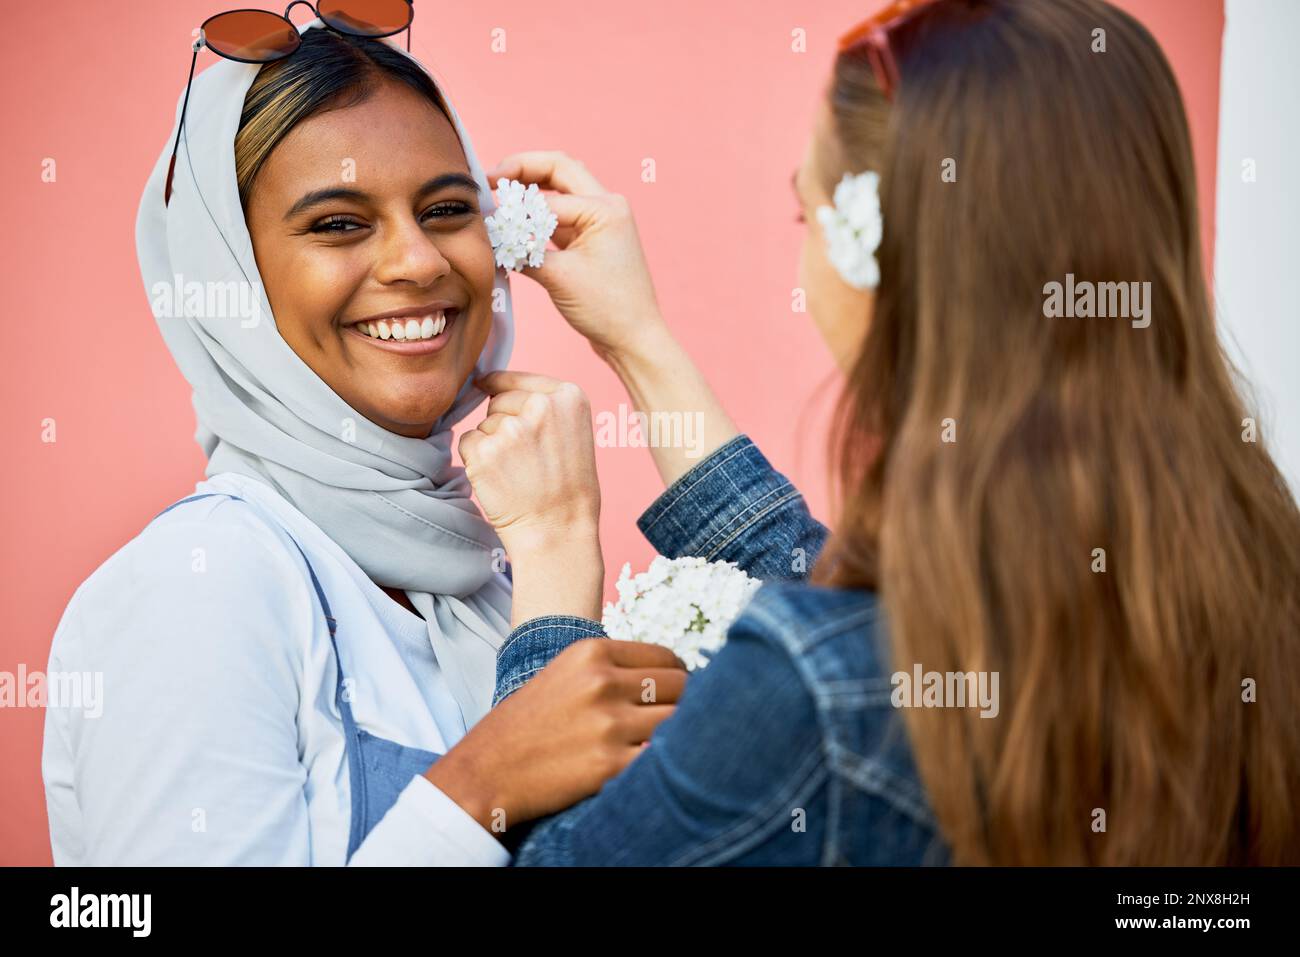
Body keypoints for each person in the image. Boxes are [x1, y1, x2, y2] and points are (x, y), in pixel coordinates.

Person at [450, 0, 1300, 864]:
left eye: (804, 215)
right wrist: (639, 343)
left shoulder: (816, 695)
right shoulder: (1251, 576)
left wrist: (555, 556)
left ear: (875, 255)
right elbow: (859, 619)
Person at [42, 19, 684, 866]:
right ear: (232, 273)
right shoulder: (199, 585)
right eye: (339, 223)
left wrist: (639, 341)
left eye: (448, 210)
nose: (418, 261)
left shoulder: (487, 582)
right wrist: (482, 783)